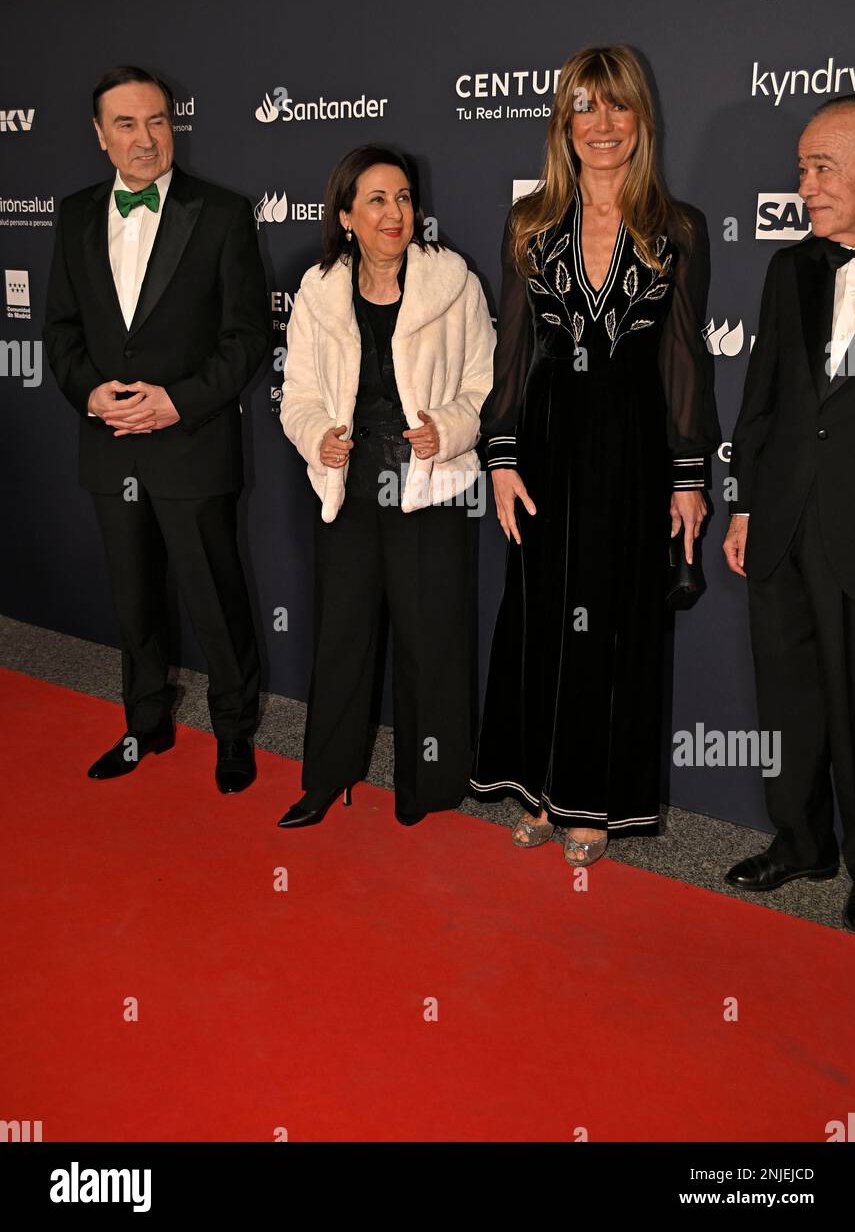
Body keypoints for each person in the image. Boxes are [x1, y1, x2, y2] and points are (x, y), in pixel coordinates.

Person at [471, 45, 720, 866]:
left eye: (618, 107)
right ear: (563, 124)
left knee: (615, 626)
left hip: (635, 451)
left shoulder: (675, 228)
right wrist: (500, 458)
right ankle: (541, 791)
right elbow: (514, 352)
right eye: (585, 107)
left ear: (640, 119)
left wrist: (689, 476)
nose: (602, 124)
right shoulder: (530, 225)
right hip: (546, 446)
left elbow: (683, 359)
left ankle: (596, 805)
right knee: (544, 614)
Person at [43, 65, 269, 794]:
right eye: (128, 125)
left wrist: (178, 401)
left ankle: (234, 729)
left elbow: (245, 338)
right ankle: (145, 725)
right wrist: (91, 393)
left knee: (213, 596)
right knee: (133, 601)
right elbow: (61, 330)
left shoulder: (223, 212)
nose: (146, 139)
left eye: (158, 122)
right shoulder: (74, 214)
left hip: (192, 442)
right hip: (110, 446)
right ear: (100, 135)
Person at [278, 145, 495, 828]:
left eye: (402, 198)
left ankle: (427, 787)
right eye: (375, 200)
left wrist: (449, 427)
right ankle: (327, 777)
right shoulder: (317, 292)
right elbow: (298, 396)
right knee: (342, 639)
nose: (393, 213)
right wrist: (319, 437)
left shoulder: (455, 284)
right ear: (345, 215)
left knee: (432, 641)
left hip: (430, 488)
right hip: (349, 485)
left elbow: (484, 387)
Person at [723, 95, 855, 935]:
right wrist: (742, 503)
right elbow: (764, 399)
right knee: (790, 698)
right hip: (781, 518)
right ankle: (802, 841)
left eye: (822, 168)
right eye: (802, 168)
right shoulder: (791, 269)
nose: (803, 185)